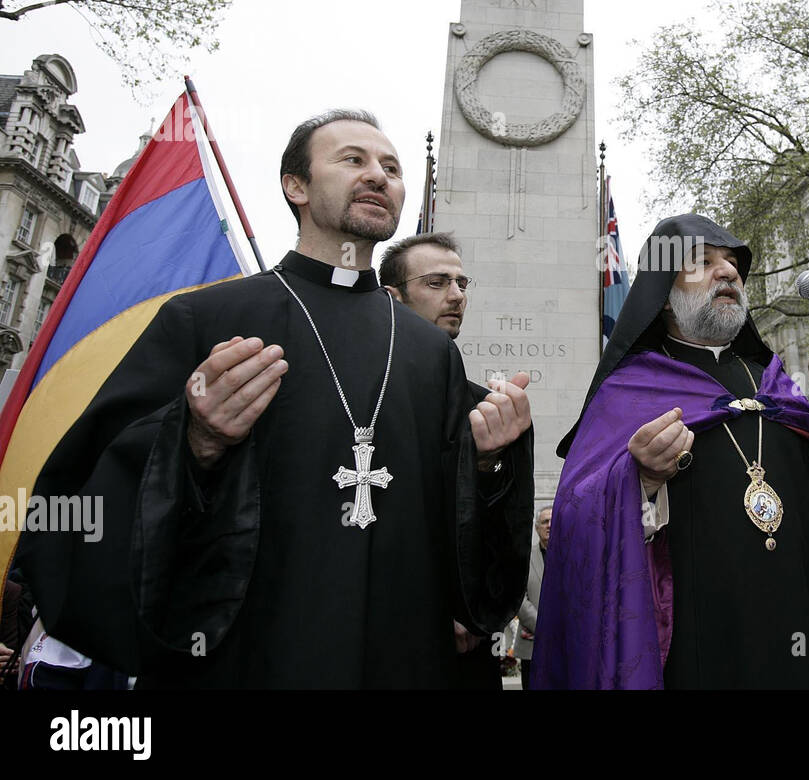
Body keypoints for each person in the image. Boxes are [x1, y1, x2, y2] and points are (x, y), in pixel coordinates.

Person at [16, 110, 534, 687]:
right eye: (352, 160)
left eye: (391, 167)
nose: (378, 176)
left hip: (399, 653)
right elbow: (87, 489)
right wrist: (193, 439)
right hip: (249, 657)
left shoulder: (430, 353)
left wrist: (487, 463)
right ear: (297, 187)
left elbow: (454, 535)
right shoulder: (206, 318)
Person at [533, 214, 809, 689]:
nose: (727, 273)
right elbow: (575, 524)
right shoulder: (625, 395)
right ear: (664, 293)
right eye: (703, 263)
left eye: (732, 264)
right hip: (699, 643)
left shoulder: (775, 384)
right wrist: (638, 481)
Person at [379, 230, 534, 690]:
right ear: (393, 297)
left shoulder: (485, 406)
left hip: (466, 654)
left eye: (462, 284)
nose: (456, 295)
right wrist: (427, 611)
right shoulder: (361, 396)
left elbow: (498, 537)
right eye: (436, 282)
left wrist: (489, 465)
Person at [514, 506, 550, 690]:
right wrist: (544, 627)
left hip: (563, 645)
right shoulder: (525, 557)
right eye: (545, 522)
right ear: (536, 527)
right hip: (531, 646)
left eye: (554, 521)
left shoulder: (571, 556)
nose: (550, 525)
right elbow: (519, 598)